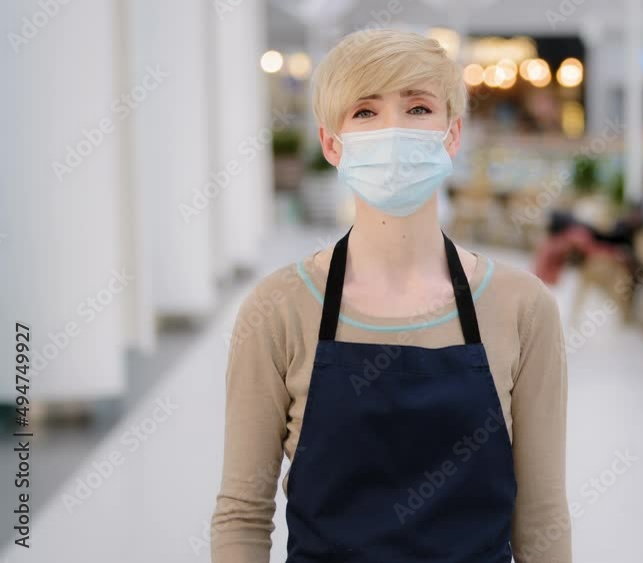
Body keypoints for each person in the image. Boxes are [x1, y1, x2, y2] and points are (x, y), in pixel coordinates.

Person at [210, 30, 571, 563]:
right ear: (332, 144)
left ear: (451, 135)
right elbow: (242, 514)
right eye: (364, 112)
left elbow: (541, 519)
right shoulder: (279, 308)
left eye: (418, 107)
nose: (394, 129)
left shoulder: (522, 307)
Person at [534, 165, 643, 284]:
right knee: (592, 229)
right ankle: (563, 221)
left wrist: (622, 221)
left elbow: (635, 221)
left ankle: (560, 221)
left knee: (596, 231)